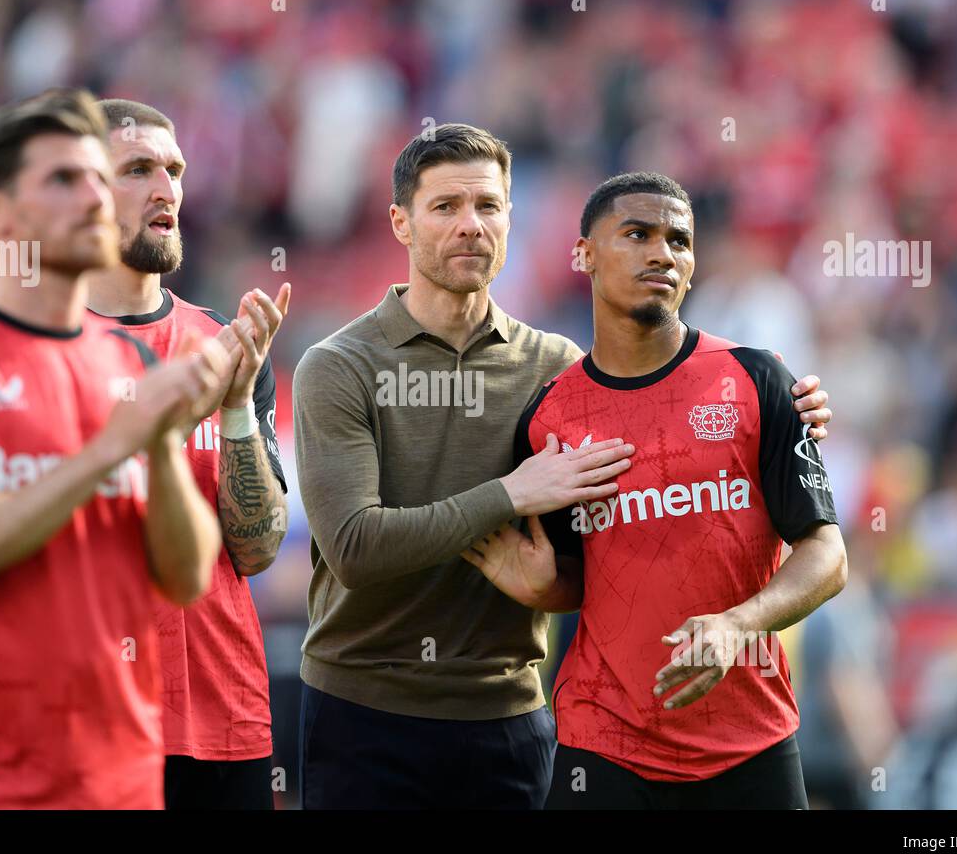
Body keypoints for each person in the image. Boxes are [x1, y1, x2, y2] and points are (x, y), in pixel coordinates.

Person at [291, 125, 834, 809]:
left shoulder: (560, 374)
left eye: (488, 206)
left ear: (511, 219)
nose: (470, 226)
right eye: (445, 207)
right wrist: (509, 494)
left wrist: (791, 407)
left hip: (508, 714)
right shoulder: (341, 366)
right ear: (400, 222)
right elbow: (355, 550)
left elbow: (601, 552)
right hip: (363, 711)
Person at [0, 89, 236, 809]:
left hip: (125, 777)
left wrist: (161, 445)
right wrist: (111, 449)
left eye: (100, 179)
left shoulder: (128, 365)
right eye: (64, 180)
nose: (96, 198)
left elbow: (186, 573)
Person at [464, 171, 848, 809]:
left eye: (679, 241)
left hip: (748, 741)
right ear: (583, 253)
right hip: (603, 744)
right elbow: (585, 578)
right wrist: (543, 588)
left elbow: (827, 556)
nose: (662, 253)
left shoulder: (758, 380)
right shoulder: (548, 419)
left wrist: (738, 626)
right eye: (637, 234)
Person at [83, 98, 289, 810]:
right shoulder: (29, 351)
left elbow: (258, 550)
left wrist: (233, 408)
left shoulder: (228, 346)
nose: (167, 188)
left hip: (223, 724)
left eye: (174, 170)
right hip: (83, 722)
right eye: (138, 169)